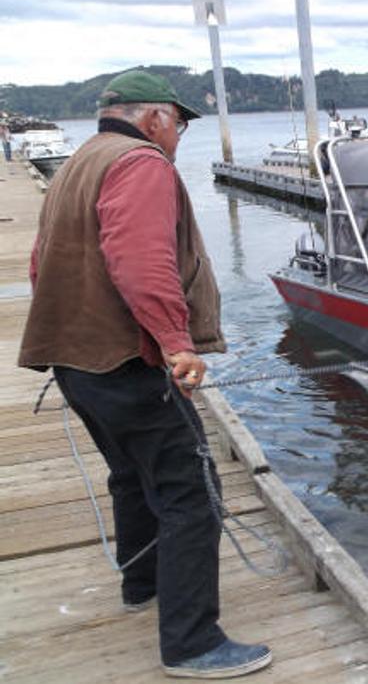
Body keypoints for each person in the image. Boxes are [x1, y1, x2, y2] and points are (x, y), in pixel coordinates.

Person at [18, 70, 272, 679]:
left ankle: (143, 582)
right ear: (155, 118)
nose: (179, 137)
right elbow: (141, 261)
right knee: (191, 491)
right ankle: (192, 644)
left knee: (132, 476)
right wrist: (177, 342)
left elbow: (37, 263)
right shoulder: (141, 164)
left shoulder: (82, 160)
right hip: (128, 364)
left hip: (78, 362)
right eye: (179, 124)